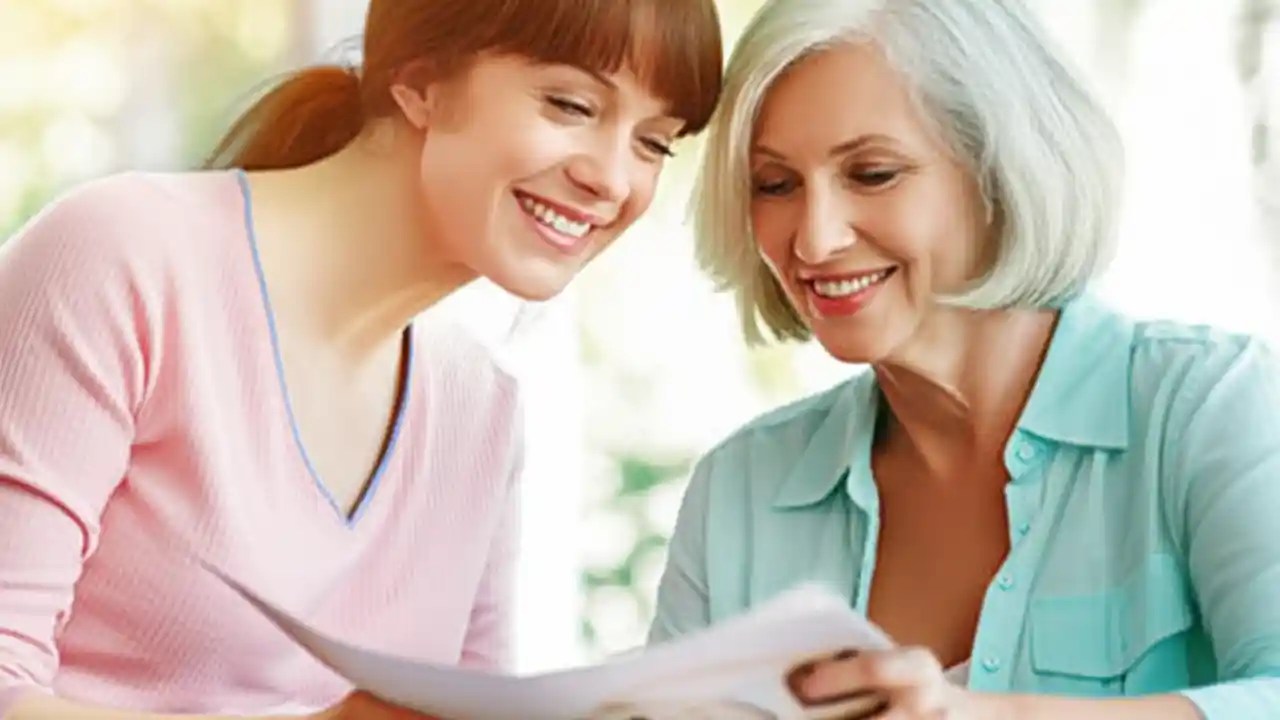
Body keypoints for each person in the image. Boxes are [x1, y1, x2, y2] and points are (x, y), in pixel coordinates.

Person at [0, 1, 722, 718]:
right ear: (419, 82)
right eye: (570, 104)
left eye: (655, 143)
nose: (615, 180)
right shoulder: (123, 261)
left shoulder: (481, 407)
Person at [649, 0, 1280, 718]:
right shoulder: (741, 492)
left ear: (999, 171)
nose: (814, 240)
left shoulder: (1206, 405)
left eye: (873, 173)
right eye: (776, 185)